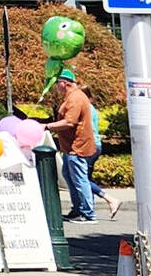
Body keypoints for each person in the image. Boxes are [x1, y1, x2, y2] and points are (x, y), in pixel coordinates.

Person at [44, 71, 112, 222]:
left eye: (56, 83)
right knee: (70, 176)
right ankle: (77, 209)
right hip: (71, 147)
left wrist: (47, 126)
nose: (55, 87)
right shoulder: (73, 97)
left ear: (64, 83)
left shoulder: (75, 98)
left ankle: (88, 213)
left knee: (80, 179)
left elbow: (70, 122)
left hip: (77, 147)